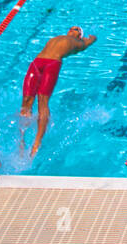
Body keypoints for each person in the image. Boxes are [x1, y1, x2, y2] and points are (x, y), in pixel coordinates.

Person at [20, 26, 96, 156]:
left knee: (42, 102)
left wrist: (91, 39)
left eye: (76, 29)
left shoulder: (79, 43)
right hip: (37, 63)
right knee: (26, 100)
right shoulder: (60, 37)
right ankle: (21, 139)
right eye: (71, 28)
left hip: (52, 64)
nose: (72, 29)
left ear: (79, 35)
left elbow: (89, 41)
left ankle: (37, 142)